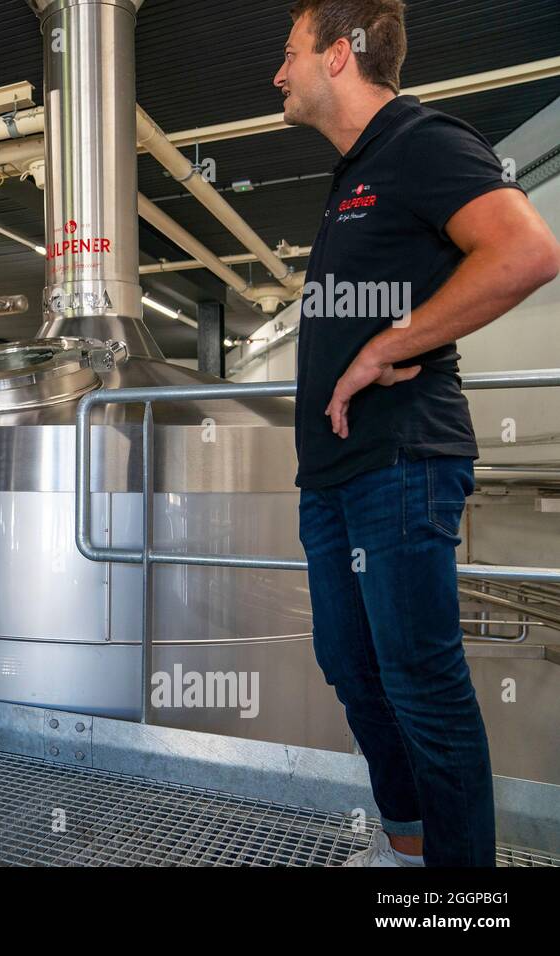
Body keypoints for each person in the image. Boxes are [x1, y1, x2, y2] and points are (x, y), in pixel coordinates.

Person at [273, 0, 560, 866]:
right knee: (352, 670)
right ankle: (406, 850)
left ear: (337, 56)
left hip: (401, 461)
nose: (277, 74)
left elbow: (525, 252)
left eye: (288, 54)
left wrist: (392, 345)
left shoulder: (422, 141)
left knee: (422, 685)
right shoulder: (354, 171)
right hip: (332, 474)